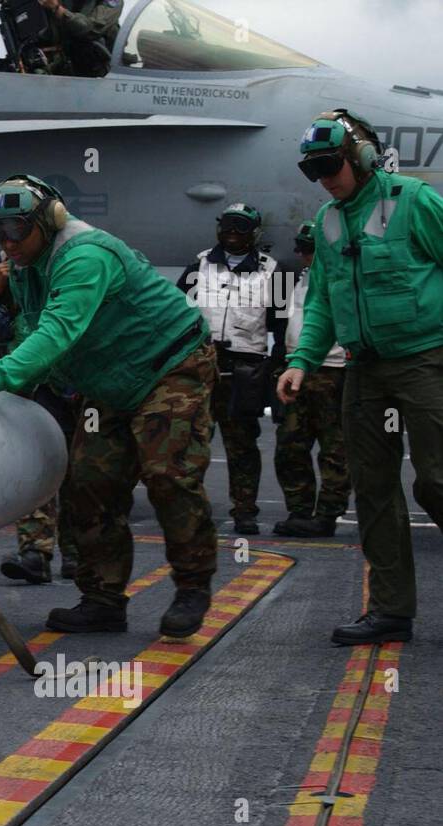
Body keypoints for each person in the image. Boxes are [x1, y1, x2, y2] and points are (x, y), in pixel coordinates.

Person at [0, 174, 218, 638]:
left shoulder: (85, 255)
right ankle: (102, 599)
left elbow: (58, 331)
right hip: (110, 382)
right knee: (88, 481)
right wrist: (14, 387)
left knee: (168, 474)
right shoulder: (29, 265)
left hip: (169, 364)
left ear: (48, 220)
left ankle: (192, 586)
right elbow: (31, 332)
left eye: (15, 230)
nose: (6, 244)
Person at [279, 109, 443, 646]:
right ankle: (392, 610)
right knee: (372, 489)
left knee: (437, 480)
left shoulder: (414, 202)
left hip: (426, 359)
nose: (324, 177)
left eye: (331, 164)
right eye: (313, 169)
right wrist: (302, 362)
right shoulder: (327, 221)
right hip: (363, 370)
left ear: (362, 158)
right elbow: (323, 301)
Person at [0, 249, 80, 583]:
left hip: (67, 382)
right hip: (24, 384)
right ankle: (34, 552)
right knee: (35, 465)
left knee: (76, 468)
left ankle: (77, 553)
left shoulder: (67, 264)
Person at [177, 203, 287, 535]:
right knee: (192, 442)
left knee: (242, 444)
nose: (233, 234)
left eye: (240, 228)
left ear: (254, 233)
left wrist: (278, 367)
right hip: (202, 364)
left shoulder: (275, 271)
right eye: (227, 227)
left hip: (245, 368)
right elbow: (179, 315)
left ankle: (245, 511)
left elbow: (280, 326)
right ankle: (189, 509)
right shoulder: (198, 266)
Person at [273, 220, 350, 537]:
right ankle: (300, 511)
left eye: (311, 249)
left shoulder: (341, 276)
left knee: (335, 449)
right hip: (297, 370)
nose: (305, 256)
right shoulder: (296, 279)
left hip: (334, 371)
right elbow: (278, 321)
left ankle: (327, 515)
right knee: (289, 445)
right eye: (302, 250)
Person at [30, 0, 123, 77]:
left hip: (97, 75)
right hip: (59, 71)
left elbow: (90, 29)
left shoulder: (112, 2)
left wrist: (57, 9)